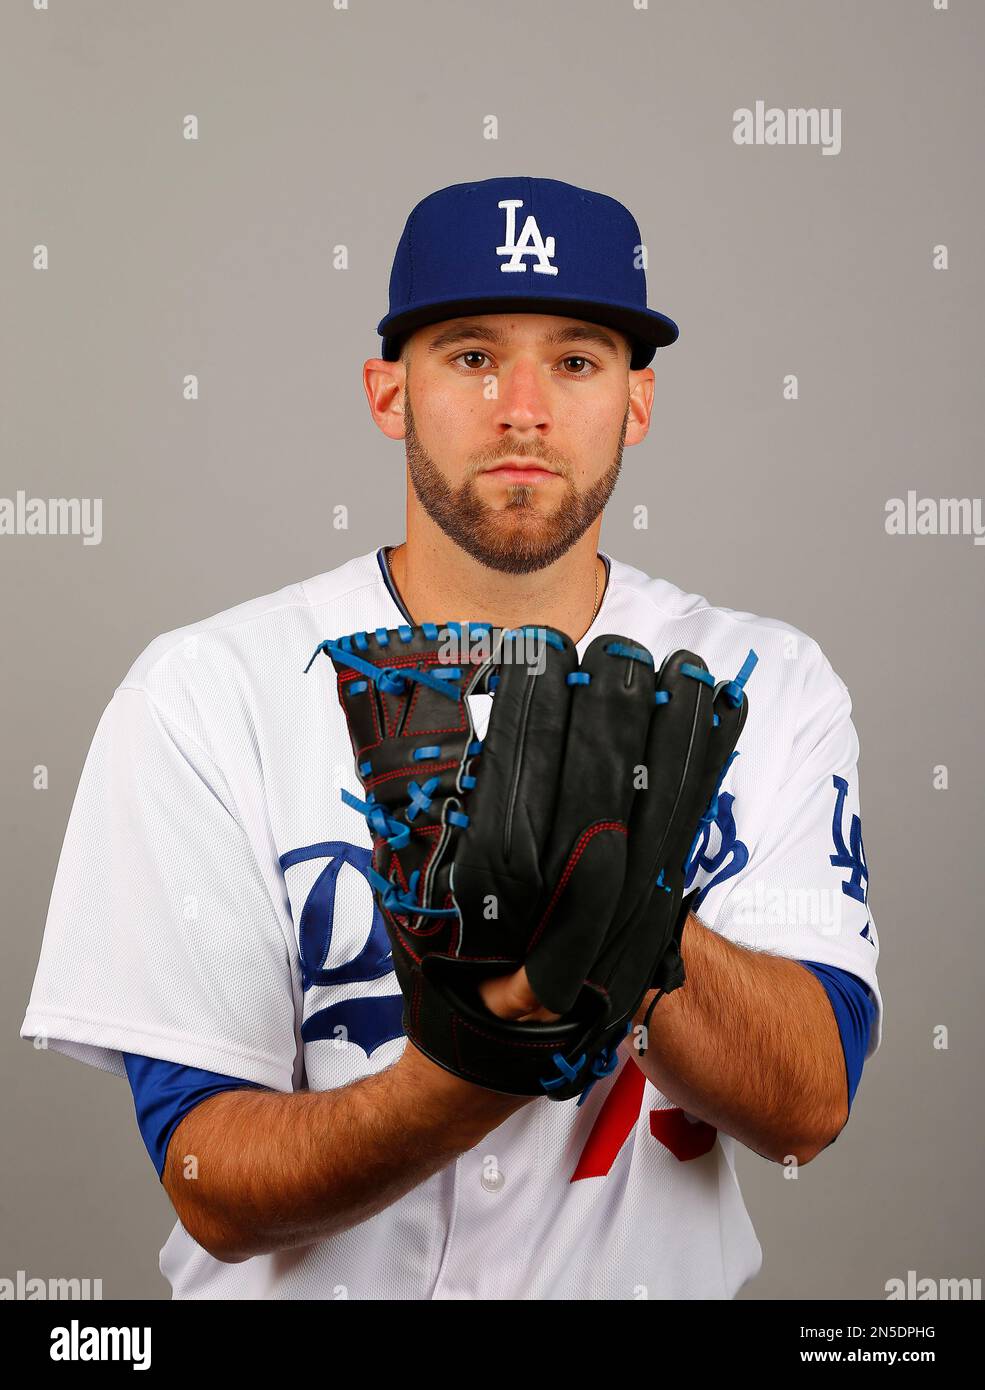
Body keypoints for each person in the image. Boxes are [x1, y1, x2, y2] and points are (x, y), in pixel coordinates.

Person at [22, 176, 881, 1300]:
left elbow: (808, 1102)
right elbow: (210, 1183)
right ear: (389, 393)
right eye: (471, 356)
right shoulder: (206, 690)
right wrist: (485, 1053)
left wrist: (634, 927)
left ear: (638, 400)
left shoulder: (760, 681)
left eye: (576, 360)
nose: (522, 408)